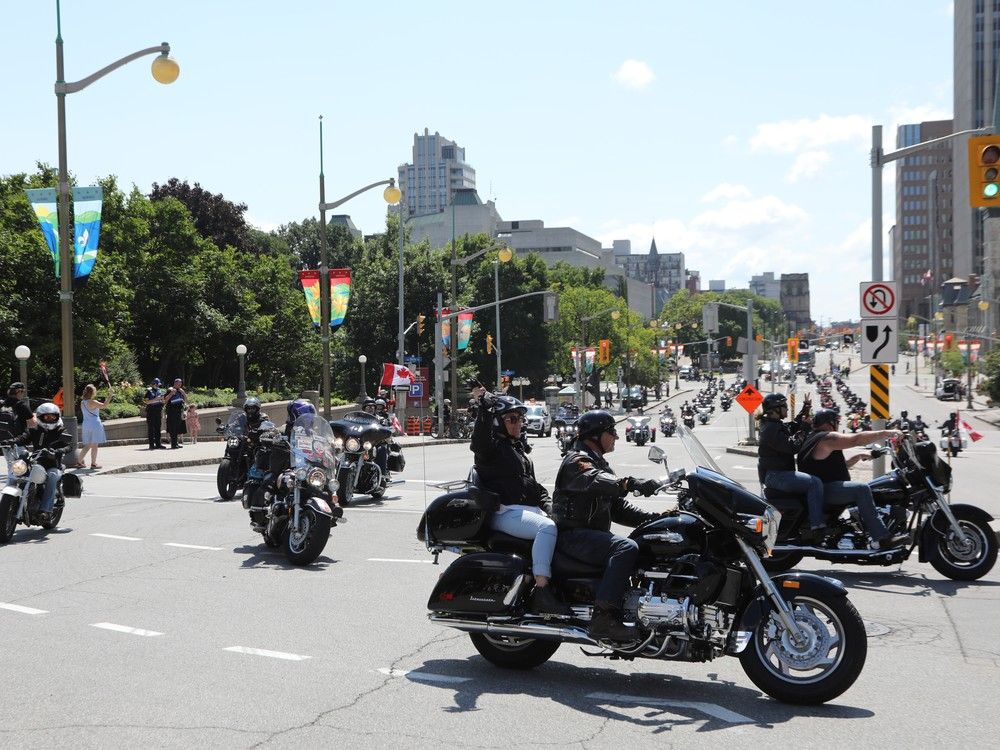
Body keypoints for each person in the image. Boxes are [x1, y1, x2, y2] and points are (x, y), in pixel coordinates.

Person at [552, 410, 663, 641]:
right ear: (595, 435)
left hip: (590, 534)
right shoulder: (577, 461)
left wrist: (656, 520)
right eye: (611, 431)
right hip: (573, 535)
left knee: (648, 541)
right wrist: (630, 483)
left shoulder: (598, 462)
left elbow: (619, 510)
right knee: (626, 547)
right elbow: (595, 479)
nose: (616, 436)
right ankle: (604, 619)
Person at [470, 386, 571, 617]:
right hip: (506, 513)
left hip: (527, 511)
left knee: (566, 526)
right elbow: (479, 441)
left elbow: (535, 488)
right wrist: (485, 408)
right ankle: (542, 590)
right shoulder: (491, 450)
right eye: (511, 419)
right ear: (498, 422)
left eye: (520, 418)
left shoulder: (518, 451)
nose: (518, 423)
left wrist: (552, 508)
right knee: (546, 528)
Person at [797, 409, 908, 550]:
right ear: (831, 423)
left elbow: (836, 466)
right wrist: (887, 433)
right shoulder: (826, 438)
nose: (837, 424)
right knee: (861, 489)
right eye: (836, 422)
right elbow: (856, 439)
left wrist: (860, 455)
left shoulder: (813, 438)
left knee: (863, 489)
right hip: (824, 490)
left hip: (823, 487)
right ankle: (880, 537)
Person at [756, 393, 825, 538]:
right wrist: (806, 427)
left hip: (778, 474)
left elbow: (793, 427)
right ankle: (817, 527)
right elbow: (792, 446)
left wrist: (806, 409)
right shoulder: (770, 430)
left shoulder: (773, 425)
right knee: (815, 483)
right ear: (775, 410)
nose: (787, 409)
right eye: (785, 407)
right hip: (776, 475)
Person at [11, 403, 72, 525]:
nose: (50, 419)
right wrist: (12, 441)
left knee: (52, 476)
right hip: (36, 461)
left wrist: (58, 451)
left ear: (57, 417)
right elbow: (24, 437)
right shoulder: (35, 429)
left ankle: (46, 510)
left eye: (52, 417)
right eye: (46, 417)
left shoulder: (61, 430)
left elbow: (68, 446)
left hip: (53, 464)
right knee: (21, 471)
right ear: (40, 417)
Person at [1, 383, 36, 481]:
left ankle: (11, 484)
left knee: (10, 465)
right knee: (22, 465)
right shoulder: (21, 405)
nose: (22, 394)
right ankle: (22, 488)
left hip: (4, 440)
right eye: (22, 392)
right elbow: (32, 423)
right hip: (19, 440)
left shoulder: (2, 404)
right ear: (18, 392)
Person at [80, 383, 112, 469]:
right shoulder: (93, 402)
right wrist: (110, 396)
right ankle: (93, 464)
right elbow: (104, 406)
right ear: (92, 392)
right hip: (95, 424)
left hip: (86, 424)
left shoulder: (82, 402)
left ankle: (79, 461)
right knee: (94, 445)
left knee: (87, 445)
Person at [163, 378, 188, 449]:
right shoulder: (170, 390)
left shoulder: (180, 391)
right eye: (177, 384)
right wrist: (171, 394)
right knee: (172, 428)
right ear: (174, 383)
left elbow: (185, 401)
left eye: (180, 384)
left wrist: (183, 393)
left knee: (177, 429)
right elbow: (165, 400)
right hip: (171, 412)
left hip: (179, 412)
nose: (179, 385)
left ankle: (176, 443)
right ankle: (173, 444)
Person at [144, 378, 166, 450]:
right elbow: (147, 402)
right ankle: (151, 445)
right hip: (151, 412)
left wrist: (162, 400)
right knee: (151, 429)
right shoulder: (149, 391)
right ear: (153, 384)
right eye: (157, 384)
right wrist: (157, 399)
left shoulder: (160, 391)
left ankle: (158, 444)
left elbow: (163, 401)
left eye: (159, 385)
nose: (158, 386)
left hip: (158, 411)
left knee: (158, 428)